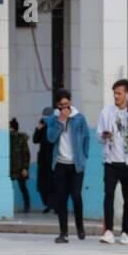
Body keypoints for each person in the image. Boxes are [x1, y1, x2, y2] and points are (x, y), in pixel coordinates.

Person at [96, 78, 128, 244]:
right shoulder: (106, 112)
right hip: (111, 161)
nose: (116, 96)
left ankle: (125, 231)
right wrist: (103, 136)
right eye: (114, 93)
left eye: (119, 93)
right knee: (108, 195)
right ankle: (108, 230)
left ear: (126, 94)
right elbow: (99, 135)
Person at [45, 90, 91, 243]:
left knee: (76, 195)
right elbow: (50, 138)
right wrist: (60, 121)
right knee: (61, 198)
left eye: (67, 104)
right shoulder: (53, 119)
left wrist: (84, 156)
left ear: (70, 102)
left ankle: (79, 226)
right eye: (61, 105)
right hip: (60, 164)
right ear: (57, 105)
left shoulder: (79, 118)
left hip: (76, 165)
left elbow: (87, 138)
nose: (65, 107)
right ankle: (63, 233)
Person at [32, 112, 54, 211]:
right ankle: (47, 204)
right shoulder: (42, 127)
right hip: (43, 160)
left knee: (53, 183)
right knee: (42, 184)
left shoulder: (55, 127)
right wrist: (38, 129)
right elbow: (35, 140)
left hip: (53, 159)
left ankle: (54, 205)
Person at [9, 117, 32, 212]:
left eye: (9, 127)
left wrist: (25, 168)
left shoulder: (21, 139)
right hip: (8, 167)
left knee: (23, 187)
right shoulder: (4, 138)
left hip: (19, 168)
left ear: (13, 128)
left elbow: (26, 154)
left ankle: (27, 205)